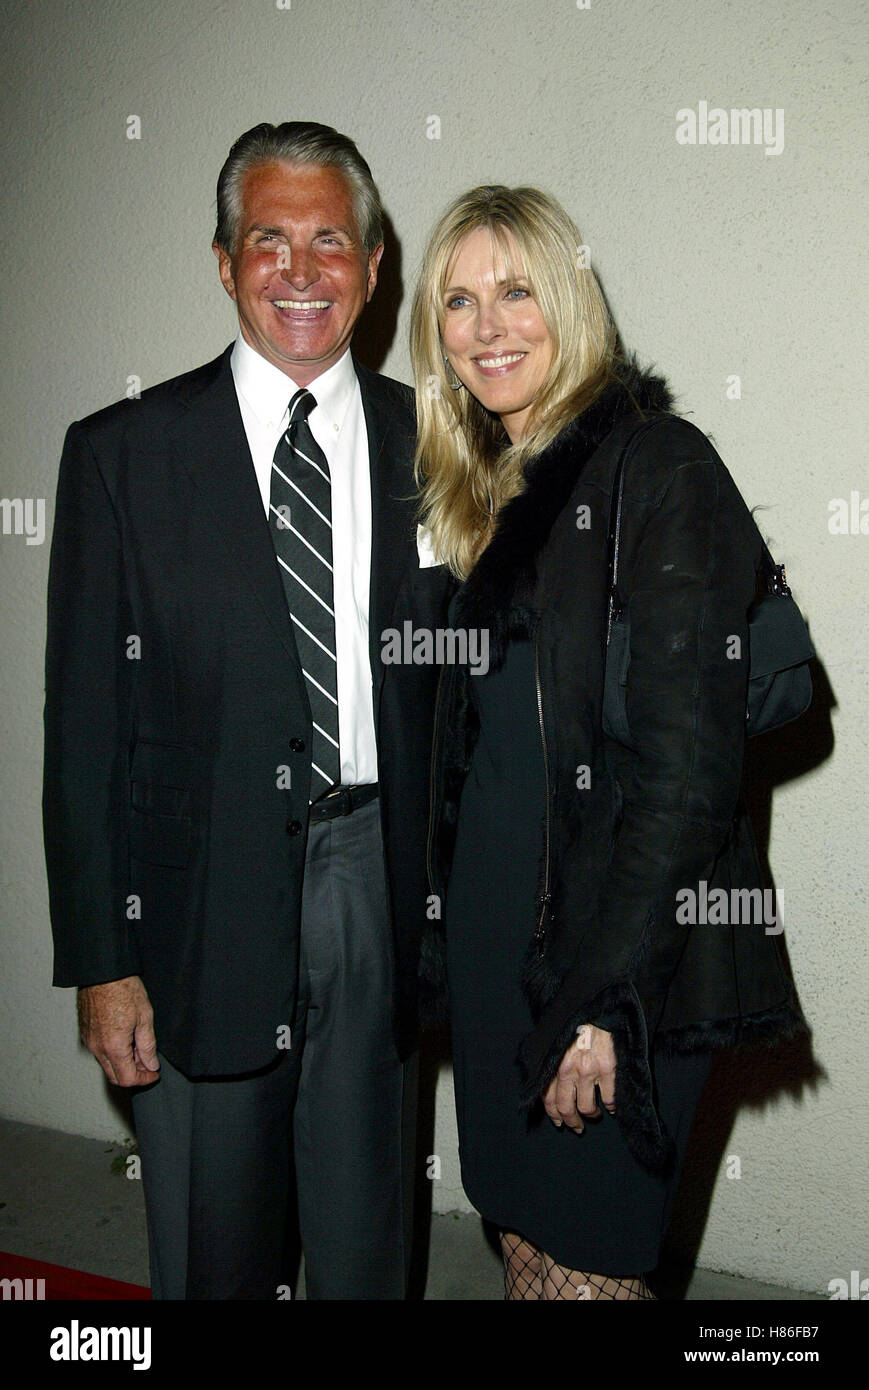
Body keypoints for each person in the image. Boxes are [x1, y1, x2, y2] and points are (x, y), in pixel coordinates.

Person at [43, 121, 450, 1300]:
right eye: (267, 240)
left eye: (332, 240)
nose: (300, 270)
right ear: (223, 263)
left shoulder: (436, 444)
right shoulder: (123, 456)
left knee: (370, 1233)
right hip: (194, 907)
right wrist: (103, 964)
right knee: (214, 1248)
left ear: (374, 270)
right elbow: (81, 737)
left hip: (376, 885)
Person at [411, 186, 806, 1301]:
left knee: (586, 1270)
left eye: (515, 289)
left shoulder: (656, 466)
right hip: (499, 952)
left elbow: (687, 774)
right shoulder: (489, 493)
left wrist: (604, 1000)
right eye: (458, 300)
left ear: (569, 300)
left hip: (606, 965)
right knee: (525, 1250)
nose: (487, 326)